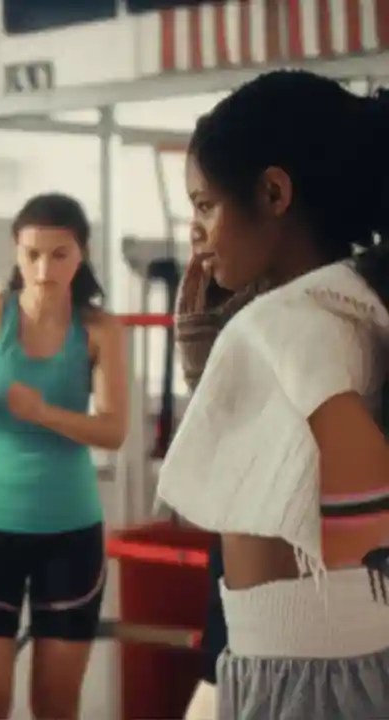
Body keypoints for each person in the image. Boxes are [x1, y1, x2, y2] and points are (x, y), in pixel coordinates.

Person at [155, 71, 389, 720]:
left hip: (301, 675)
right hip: (349, 658)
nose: (195, 233)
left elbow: (351, 527)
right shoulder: (363, 308)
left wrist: (217, 376)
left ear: (273, 192)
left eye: (204, 205)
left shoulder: (278, 326)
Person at [0, 193, 128, 720]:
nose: (43, 268)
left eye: (59, 254)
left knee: (55, 708)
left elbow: (114, 430)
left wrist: (43, 414)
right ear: (16, 253)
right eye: (32, 254)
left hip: (70, 531)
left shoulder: (101, 330)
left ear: (80, 256)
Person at [172, 251, 268, 720]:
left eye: (206, 206)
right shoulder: (223, 291)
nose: (196, 228)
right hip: (241, 520)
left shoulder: (327, 306)